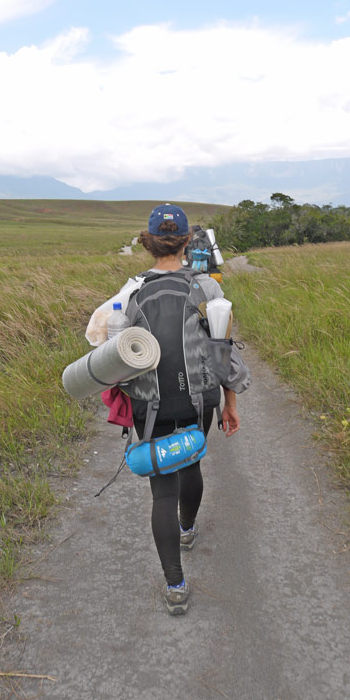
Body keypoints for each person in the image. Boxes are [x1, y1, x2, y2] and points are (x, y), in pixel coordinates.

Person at [132, 203, 243, 615]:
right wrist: (229, 403)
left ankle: (175, 586)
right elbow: (225, 353)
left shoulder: (131, 291)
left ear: (148, 243)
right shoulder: (208, 290)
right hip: (198, 400)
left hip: (151, 404)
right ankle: (187, 528)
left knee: (162, 488)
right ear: (185, 243)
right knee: (191, 464)